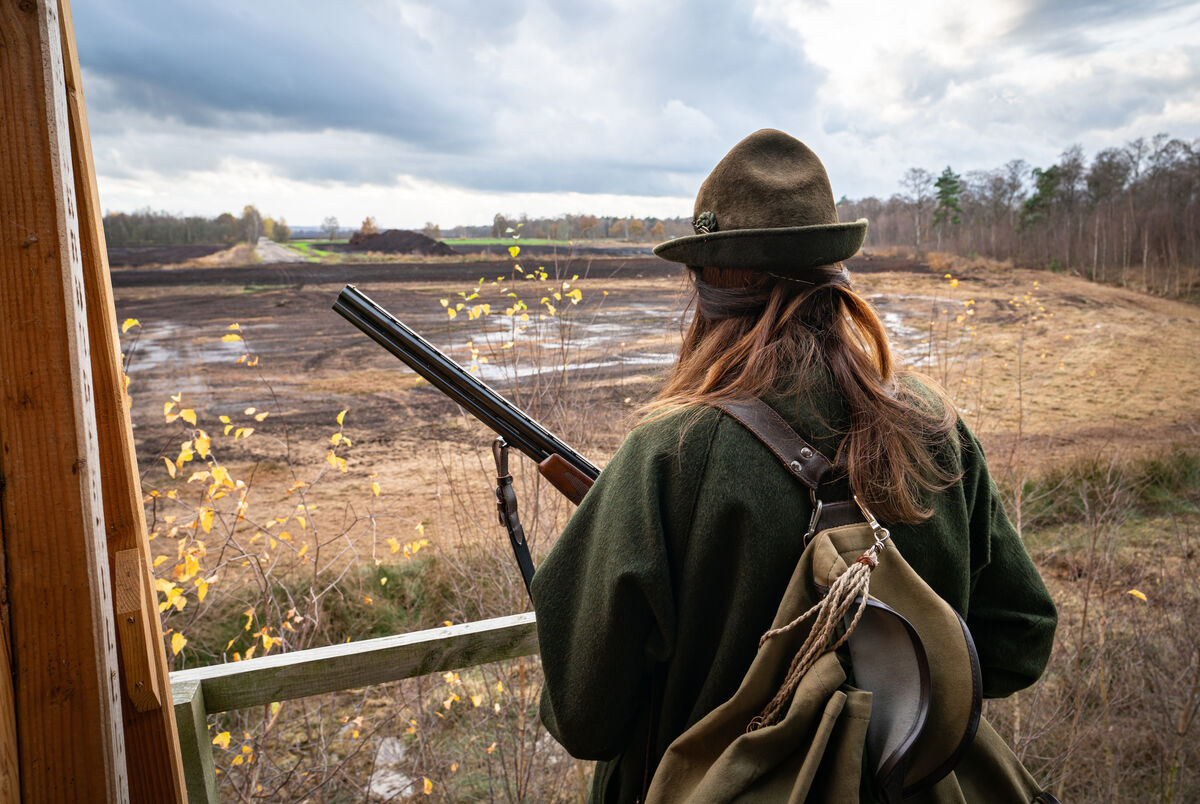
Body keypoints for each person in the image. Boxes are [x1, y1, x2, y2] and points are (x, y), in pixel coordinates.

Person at [530, 129, 1057, 803]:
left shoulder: (668, 451)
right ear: (833, 264)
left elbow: (583, 717)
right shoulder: (934, 426)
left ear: (709, 281)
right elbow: (1018, 641)